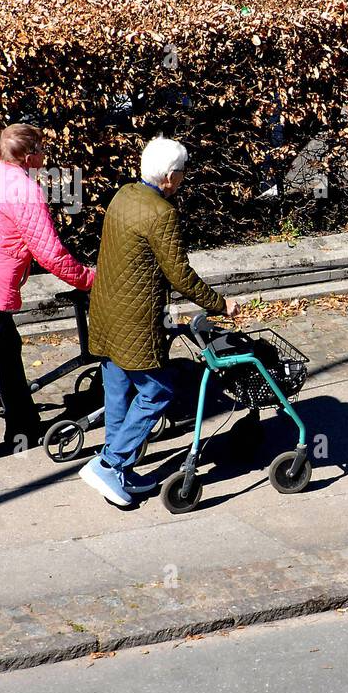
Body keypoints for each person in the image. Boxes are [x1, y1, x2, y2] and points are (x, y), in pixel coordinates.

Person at [81, 137, 239, 506]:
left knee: (118, 388)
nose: (183, 179)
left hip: (106, 312)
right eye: (182, 174)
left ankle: (116, 464)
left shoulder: (123, 195)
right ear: (169, 176)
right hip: (136, 320)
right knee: (157, 391)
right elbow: (179, 274)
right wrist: (219, 304)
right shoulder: (162, 213)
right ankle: (110, 463)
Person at [0, 124, 96, 469]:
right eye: (41, 148)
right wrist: (88, 280)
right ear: (28, 156)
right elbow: (50, 254)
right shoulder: (25, 191)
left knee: (7, 349)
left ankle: (23, 425)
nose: (45, 155)